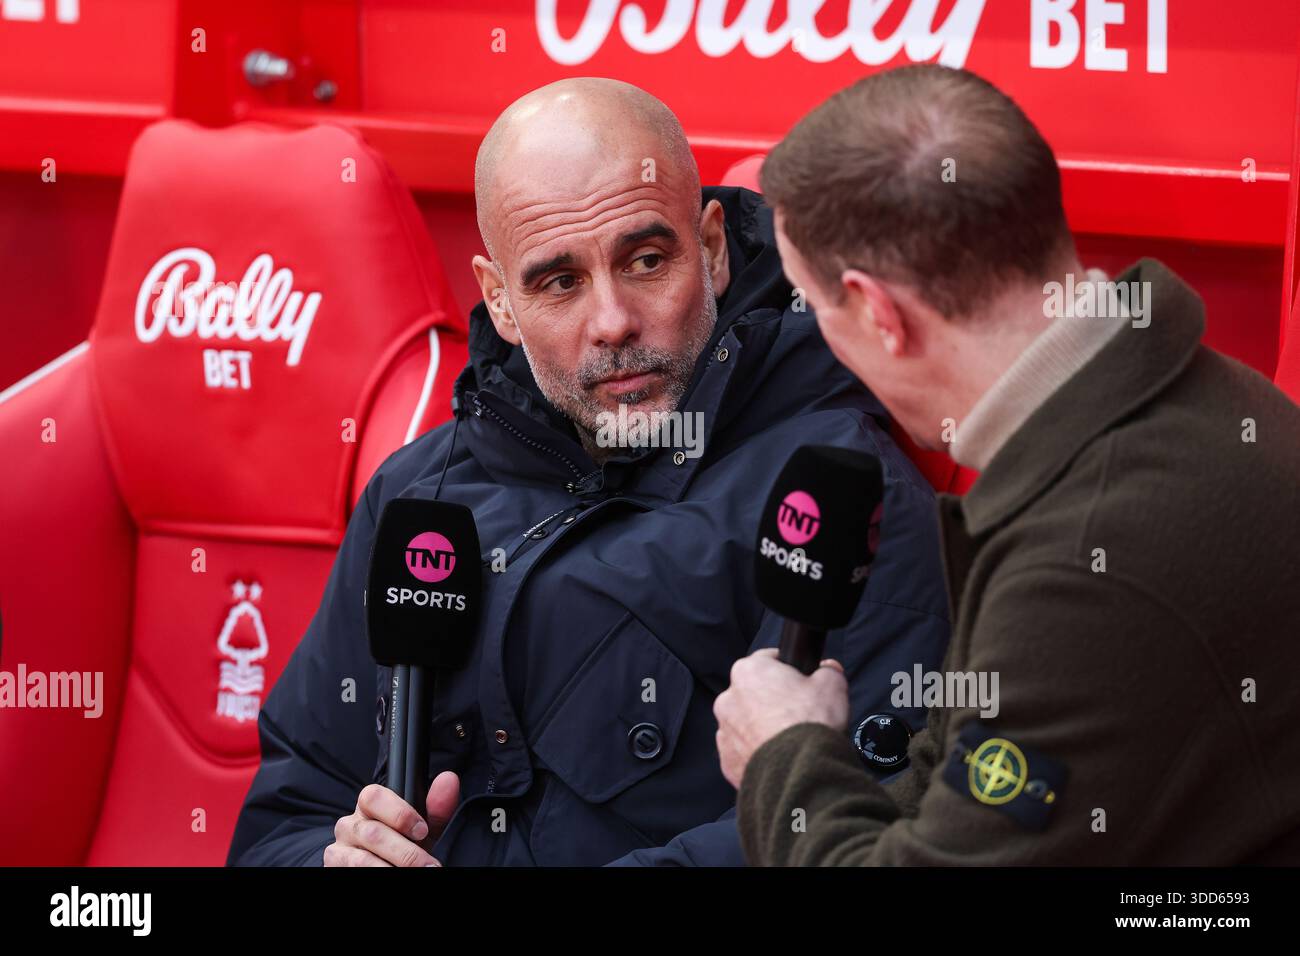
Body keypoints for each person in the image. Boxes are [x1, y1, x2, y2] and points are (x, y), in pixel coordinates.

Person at [227, 78, 950, 867]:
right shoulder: (417, 495)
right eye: (560, 282)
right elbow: (287, 815)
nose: (612, 322)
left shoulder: (835, 491)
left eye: (645, 260)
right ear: (501, 301)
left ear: (710, 250)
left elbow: (854, 832)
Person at [715, 64, 1300, 865]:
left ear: (879, 313)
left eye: (814, 306)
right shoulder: (1190, 396)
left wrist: (783, 756)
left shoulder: (1087, 562)